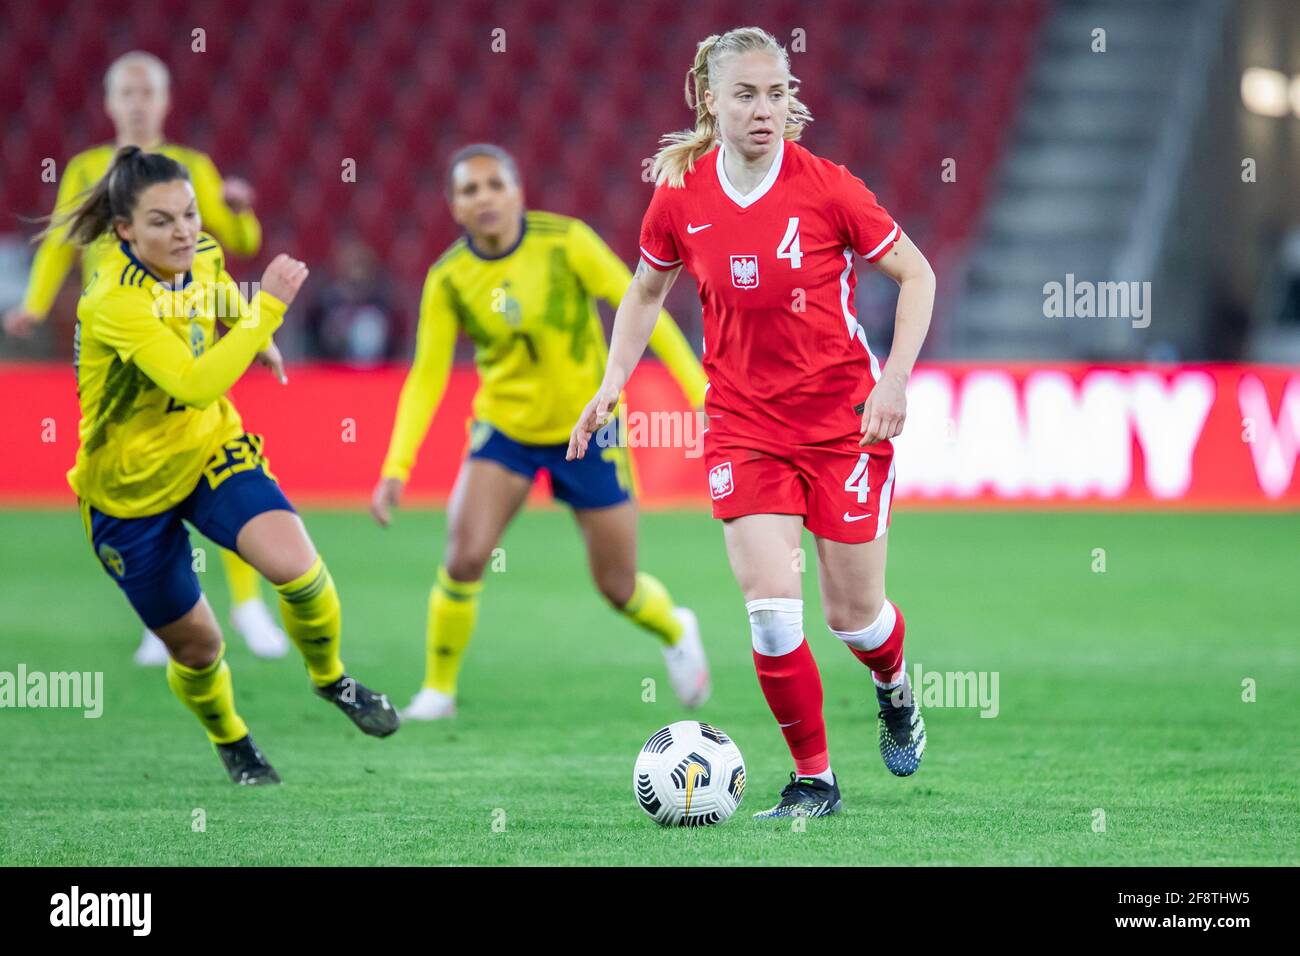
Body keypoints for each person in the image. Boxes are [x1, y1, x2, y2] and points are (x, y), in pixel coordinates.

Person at [569, 27, 937, 818]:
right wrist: (610, 385)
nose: (766, 109)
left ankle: (895, 686)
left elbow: (917, 273)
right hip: (742, 425)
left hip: (846, 425)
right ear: (710, 100)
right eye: (747, 94)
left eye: (777, 93)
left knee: (854, 617)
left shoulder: (829, 187)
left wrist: (896, 380)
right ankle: (815, 781)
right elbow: (642, 294)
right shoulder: (680, 198)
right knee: (772, 615)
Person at [55, 146, 398, 784]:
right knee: (198, 647)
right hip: (126, 492)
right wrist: (269, 308)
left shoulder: (203, 254)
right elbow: (192, 381)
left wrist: (251, 329)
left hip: (210, 448)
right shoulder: (113, 302)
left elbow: (215, 304)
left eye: (188, 214)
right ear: (124, 230)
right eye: (161, 221)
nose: (184, 230)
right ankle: (233, 740)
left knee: (299, 569)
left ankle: (332, 681)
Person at [372, 144, 712, 721]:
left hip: (590, 429)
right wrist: (395, 468)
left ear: (517, 192)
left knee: (617, 585)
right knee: (464, 556)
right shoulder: (449, 279)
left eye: (494, 185)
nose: (484, 198)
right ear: (454, 206)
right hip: (505, 431)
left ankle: (675, 628)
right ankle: (438, 690)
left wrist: (701, 393)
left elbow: (644, 304)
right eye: (469, 190)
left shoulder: (567, 242)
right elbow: (426, 379)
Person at [2, 50, 286, 666]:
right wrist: (35, 300)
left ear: (164, 102)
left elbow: (239, 243)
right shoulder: (85, 168)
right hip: (119, 335)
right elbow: (59, 240)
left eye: (146, 93)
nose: (136, 102)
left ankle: (246, 605)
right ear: (108, 103)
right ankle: (165, 617)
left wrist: (239, 208)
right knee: (144, 462)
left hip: (188, 325)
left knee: (215, 457)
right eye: (125, 93)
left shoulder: (190, 167)